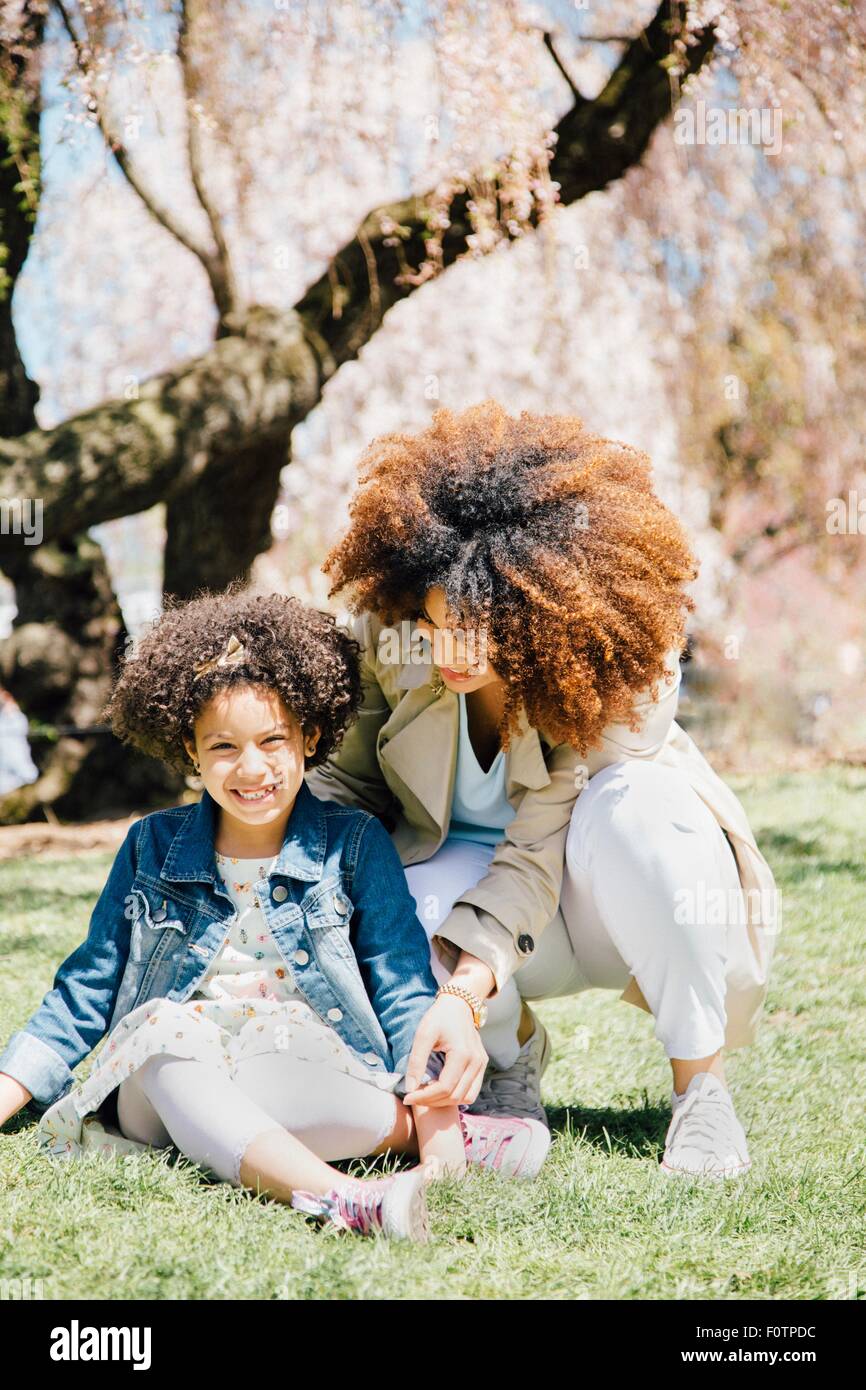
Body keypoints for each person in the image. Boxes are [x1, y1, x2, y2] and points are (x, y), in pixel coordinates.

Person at [306, 400, 780, 1180]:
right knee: (390, 888)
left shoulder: (596, 674)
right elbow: (346, 787)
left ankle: (702, 1092)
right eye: (432, 627)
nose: (446, 652)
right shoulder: (395, 646)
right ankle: (507, 1055)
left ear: (534, 617)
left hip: (610, 898)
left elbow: (536, 851)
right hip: (486, 918)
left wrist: (457, 994)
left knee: (641, 805)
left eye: (473, 632)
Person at [0, 586, 547, 1244]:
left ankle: (369, 1141)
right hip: (164, 1078)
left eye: (272, 740)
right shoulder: (151, 846)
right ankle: (349, 1197)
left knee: (274, 1079)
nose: (251, 767)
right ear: (190, 749)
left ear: (309, 736)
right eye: (223, 747)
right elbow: (87, 989)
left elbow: (402, 988)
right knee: (160, 1034)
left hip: (304, 1072)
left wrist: (436, 1136)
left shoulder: (354, 846)